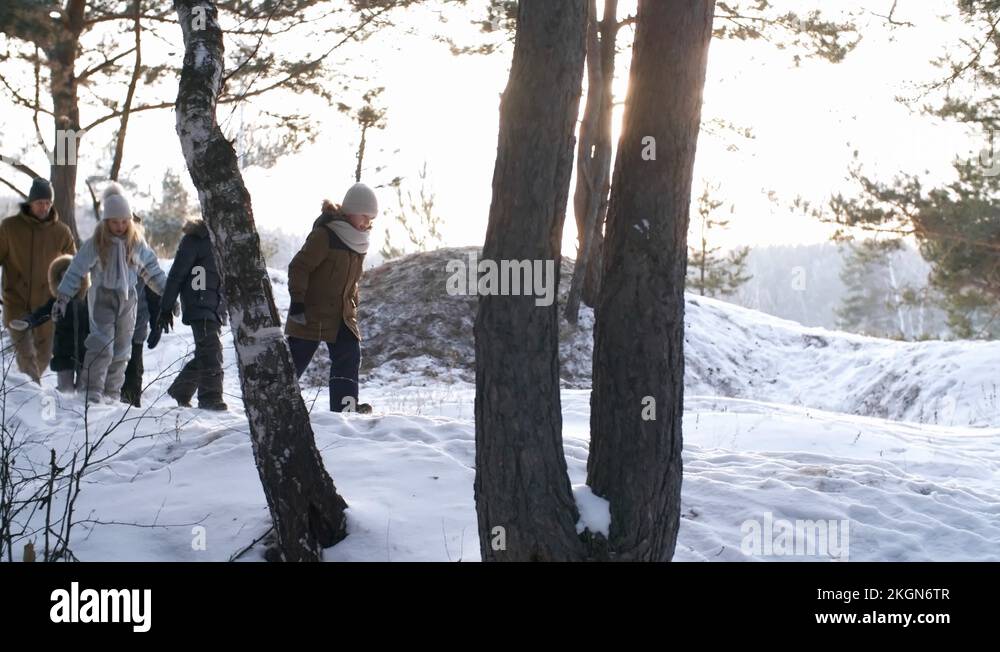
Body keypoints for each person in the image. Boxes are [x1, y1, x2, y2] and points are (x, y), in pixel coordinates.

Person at [54, 182, 167, 403]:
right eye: (115, 222)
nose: (120, 226)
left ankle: (112, 392)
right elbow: (77, 269)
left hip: (128, 300)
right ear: (107, 222)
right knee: (101, 343)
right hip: (101, 298)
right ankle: (92, 390)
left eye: (125, 221)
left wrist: (167, 294)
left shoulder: (135, 242)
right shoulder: (97, 241)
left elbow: (152, 269)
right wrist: (63, 297)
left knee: (122, 348)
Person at [286, 182, 376, 413]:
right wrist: (297, 301)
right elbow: (299, 267)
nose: (367, 221)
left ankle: (345, 409)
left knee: (349, 355)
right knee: (294, 364)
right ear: (350, 210)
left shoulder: (359, 243)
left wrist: (353, 301)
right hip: (311, 312)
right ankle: (274, 405)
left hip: (342, 315)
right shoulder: (325, 235)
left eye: (371, 217)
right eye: (364, 215)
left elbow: (352, 280)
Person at [0, 178, 76, 382]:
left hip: (47, 308)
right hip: (16, 304)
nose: (44, 207)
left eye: (47, 203)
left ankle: (30, 396)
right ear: (30, 202)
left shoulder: (62, 232)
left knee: (42, 358)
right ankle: (33, 396)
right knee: (26, 359)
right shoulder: (9, 228)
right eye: (39, 202)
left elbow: (74, 269)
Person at [154, 217, 228, 411]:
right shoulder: (196, 239)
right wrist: (166, 307)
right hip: (199, 303)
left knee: (206, 352)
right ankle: (210, 398)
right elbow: (177, 274)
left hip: (215, 305)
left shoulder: (226, 240)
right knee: (211, 351)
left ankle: (181, 390)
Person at [8, 254, 90, 392]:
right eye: (64, 279)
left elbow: (102, 319)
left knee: (84, 392)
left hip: (86, 354)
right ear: (58, 281)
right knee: (66, 391)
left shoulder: (88, 300)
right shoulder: (56, 303)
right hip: (63, 354)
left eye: (73, 279)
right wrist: (27, 323)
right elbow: (41, 314)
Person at [120, 214, 161, 408]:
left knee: (134, 369)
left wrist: (156, 324)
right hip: (110, 327)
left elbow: (154, 293)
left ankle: (130, 410)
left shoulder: (144, 255)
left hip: (136, 324)